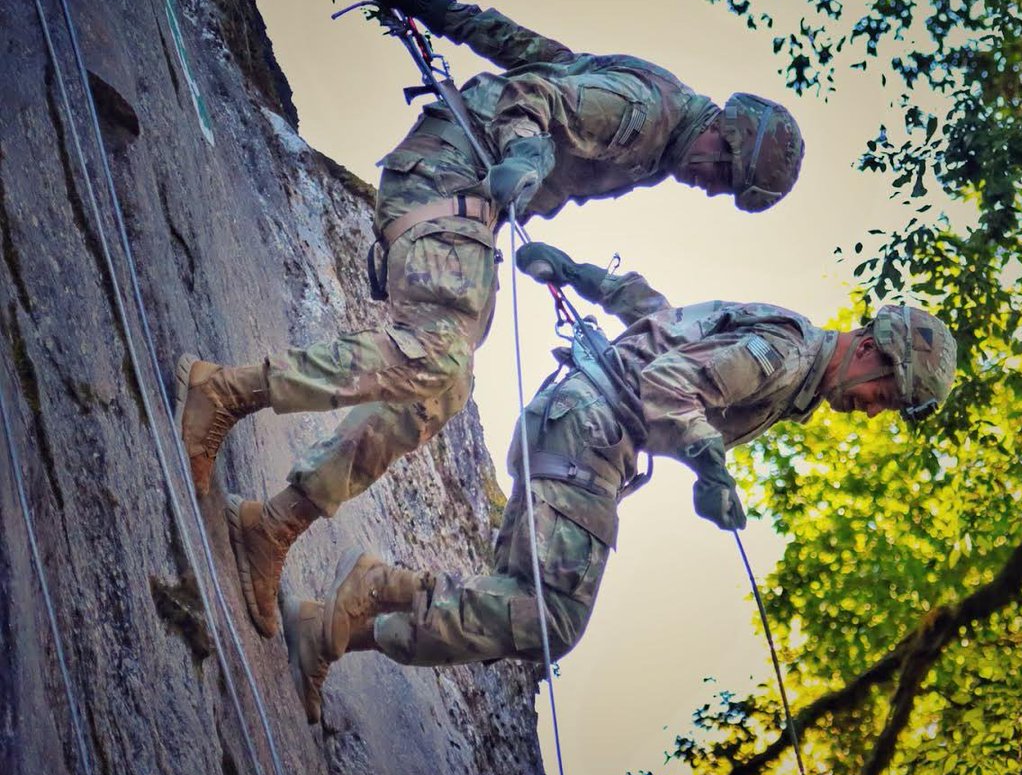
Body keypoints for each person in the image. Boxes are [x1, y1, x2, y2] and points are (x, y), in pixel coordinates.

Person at [174, 0, 807, 638]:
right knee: (441, 356)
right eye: (725, 176)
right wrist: (527, 153)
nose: (711, 188)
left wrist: (432, 9)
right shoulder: (648, 115)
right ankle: (227, 392)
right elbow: (533, 93)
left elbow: (537, 54)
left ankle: (275, 523)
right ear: (725, 135)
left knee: (439, 394)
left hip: (468, 203)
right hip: (447, 175)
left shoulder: (655, 111)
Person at [281, 242, 958, 723]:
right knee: (549, 620)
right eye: (885, 396)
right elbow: (667, 381)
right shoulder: (786, 355)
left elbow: (664, 319)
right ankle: (367, 599)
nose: (873, 409)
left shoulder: (790, 350)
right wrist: (711, 463)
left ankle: (339, 623)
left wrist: (583, 277)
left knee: (518, 602)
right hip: (589, 435)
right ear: (871, 351)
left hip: (577, 430)